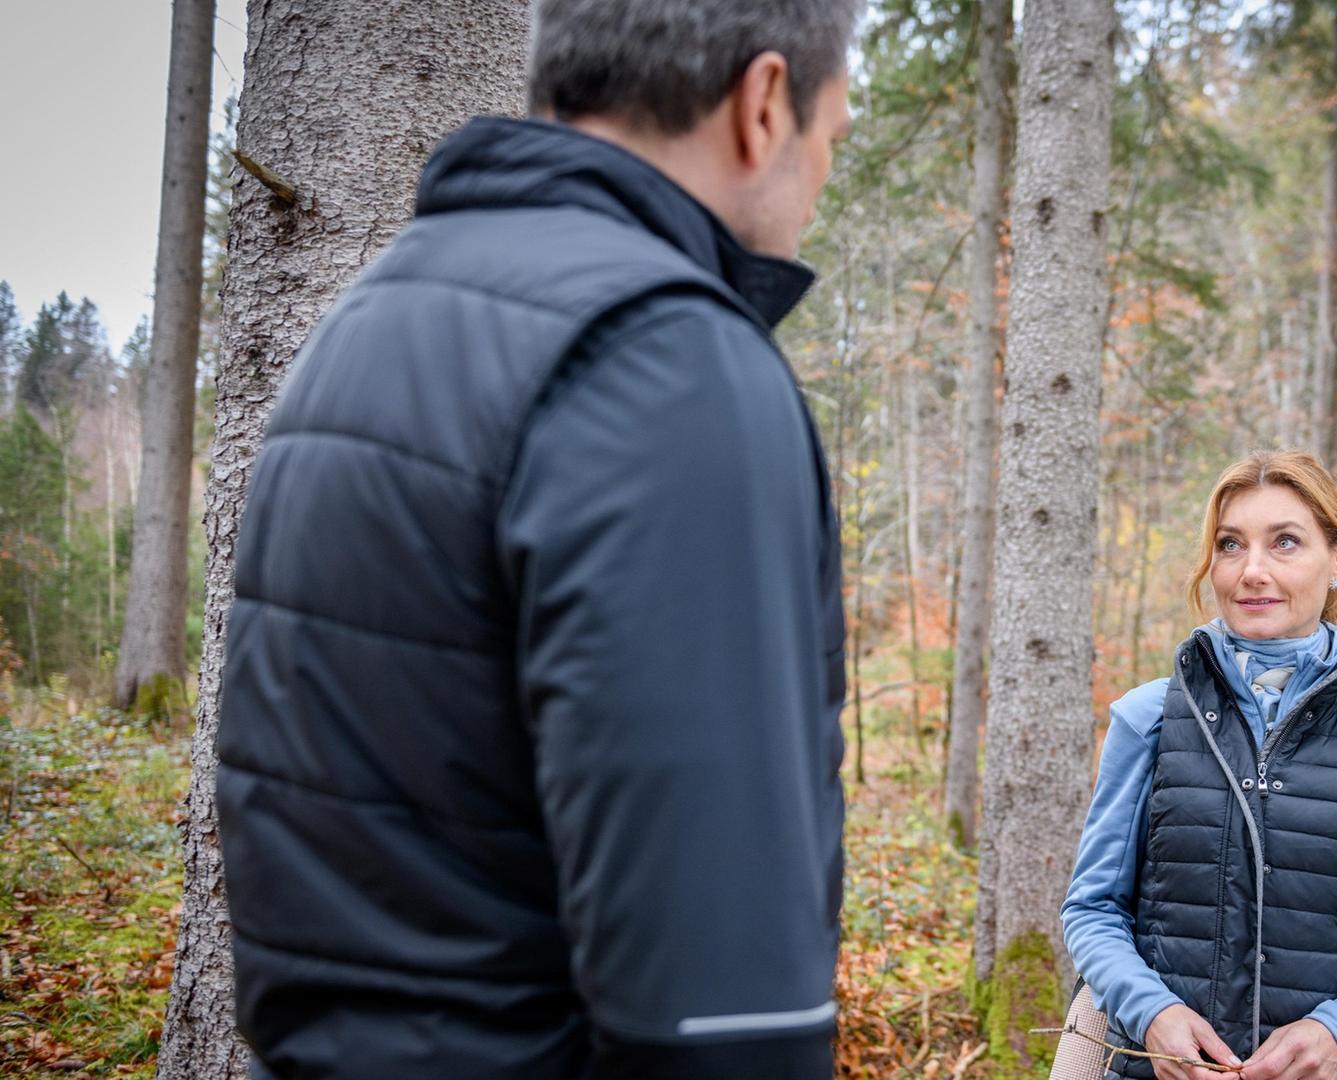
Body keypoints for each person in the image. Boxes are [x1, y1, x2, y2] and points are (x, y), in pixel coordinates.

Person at [215, 1, 860, 1076]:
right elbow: (719, 1012)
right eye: (831, 135)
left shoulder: (372, 321)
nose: (822, 182)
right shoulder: (664, 361)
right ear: (761, 105)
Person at [1061, 450, 1337, 1080]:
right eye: (1231, 545)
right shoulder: (1147, 718)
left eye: (1285, 542)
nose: (1253, 570)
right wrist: (1151, 1013)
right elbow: (1093, 910)